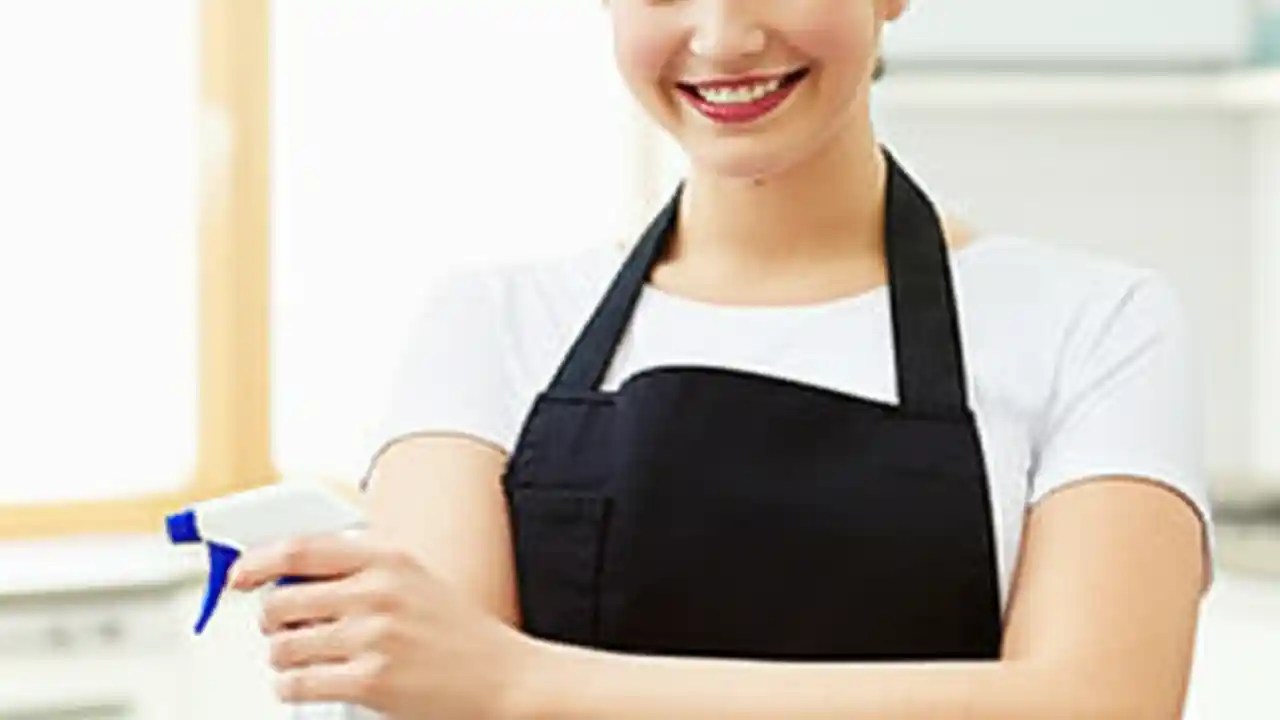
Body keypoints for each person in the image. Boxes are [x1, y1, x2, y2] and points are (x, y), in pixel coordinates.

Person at [231, 1, 1213, 717]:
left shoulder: (1095, 322)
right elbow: (432, 695)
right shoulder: (487, 322)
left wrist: (519, 681)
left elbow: (1098, 705)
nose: (722, 34)